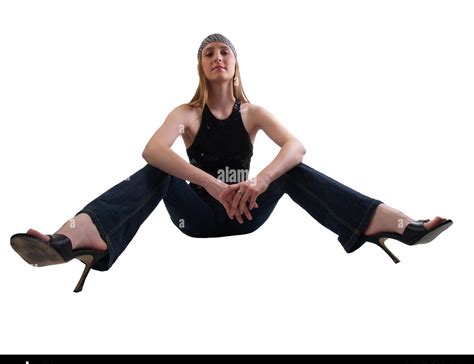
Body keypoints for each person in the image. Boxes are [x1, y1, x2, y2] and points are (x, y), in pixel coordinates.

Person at [10, 33, 452, 293]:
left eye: (224, 52)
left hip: (248, 211)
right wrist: (215, 187)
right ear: (201, 67)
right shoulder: (185, 114)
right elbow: (152, 150)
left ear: (235, 64)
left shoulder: (253, 113)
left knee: (291, 169)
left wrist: (257, 182)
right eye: (209, 53)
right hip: (198, 214)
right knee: (160, 169)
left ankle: (378, 219)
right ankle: (85, 234)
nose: (217, 57)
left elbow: (296, 145)